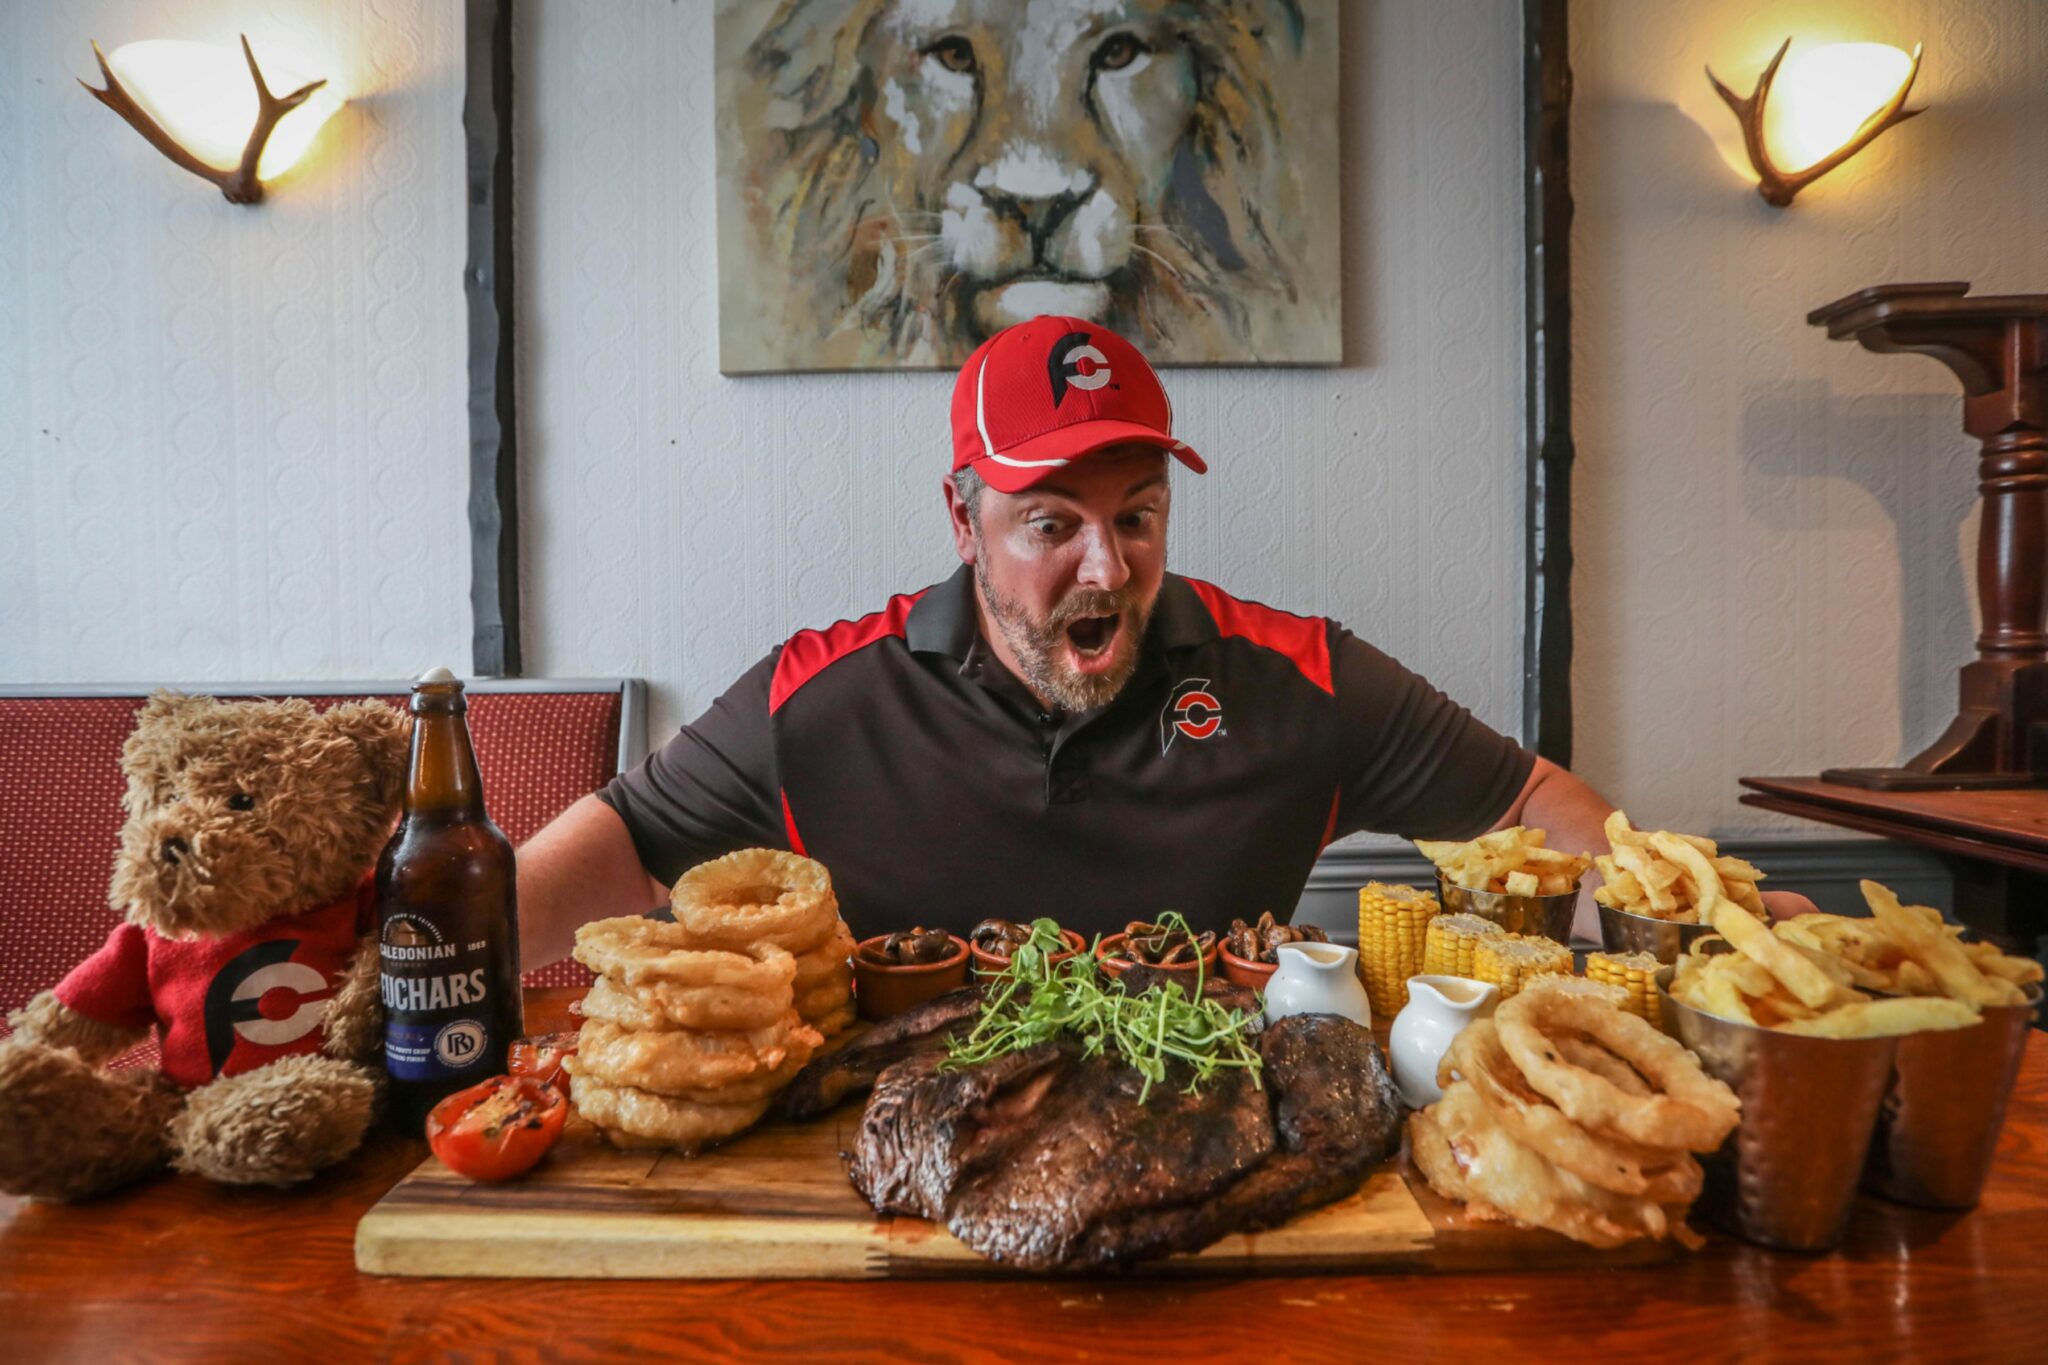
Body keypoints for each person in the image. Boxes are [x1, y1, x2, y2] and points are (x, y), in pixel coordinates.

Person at [516, 316, 1813, 967]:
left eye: (1137, 516)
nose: (1107, 565)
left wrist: (1719, 929)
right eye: (1051, 523)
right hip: (881, 1202)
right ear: (962, 522)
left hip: (1212, 1195)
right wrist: (413, 967)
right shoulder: (819, 698)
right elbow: (620, 841)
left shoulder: (1299, 679)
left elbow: (1528, 804)